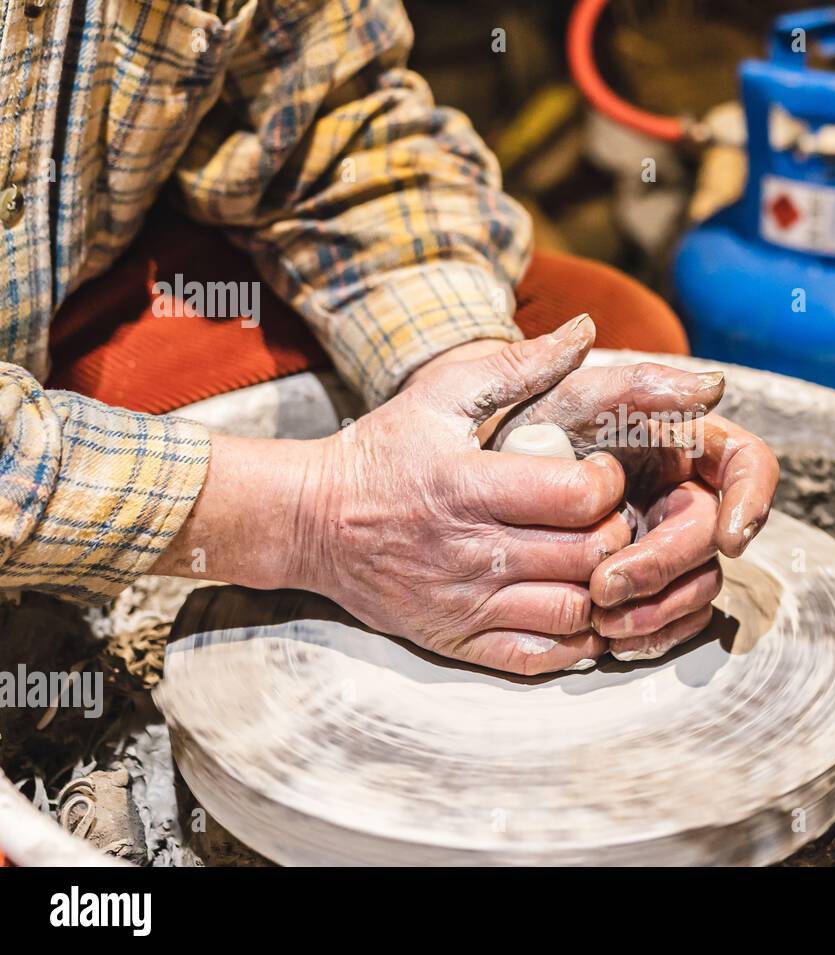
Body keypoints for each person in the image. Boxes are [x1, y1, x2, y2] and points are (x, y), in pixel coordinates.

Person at [0, 0, 778, 675]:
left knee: (630, 326)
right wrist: (312, 518)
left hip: (66, 264)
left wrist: (480, 386)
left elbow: (336, 125)